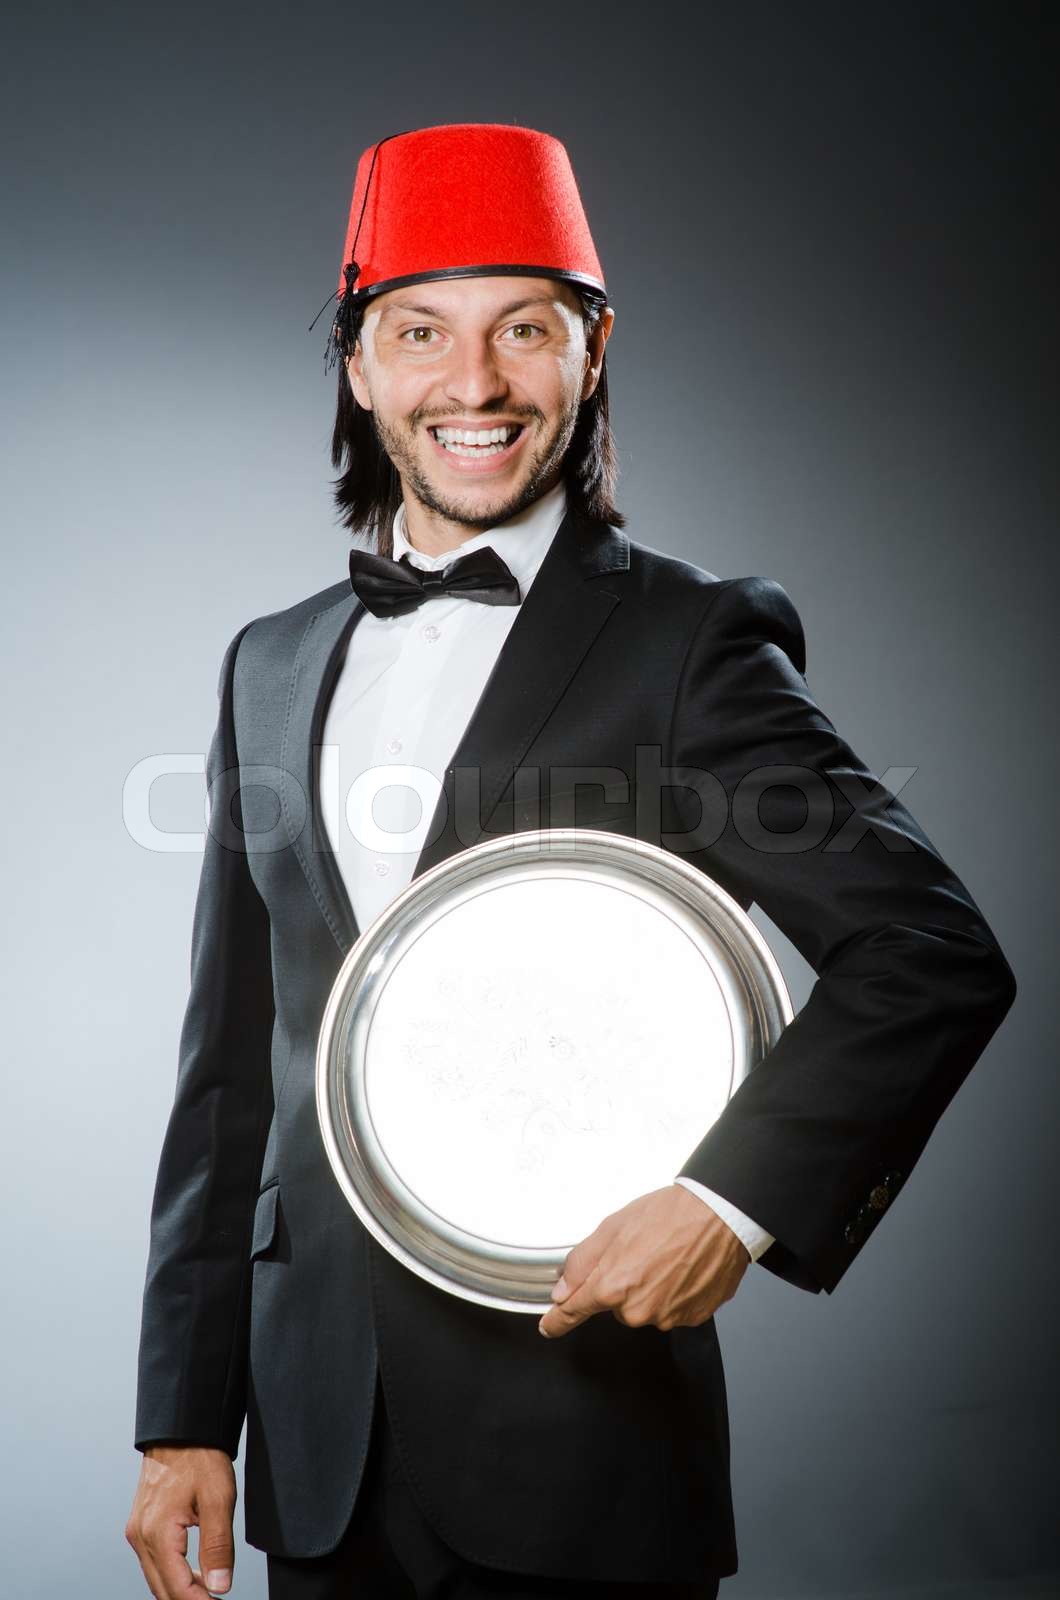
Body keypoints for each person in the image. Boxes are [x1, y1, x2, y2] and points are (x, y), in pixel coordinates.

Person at [125, 123, 1017, 1600]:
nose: (471, 385)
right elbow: (232, 1074)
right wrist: (181, 1420)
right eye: (421, 332)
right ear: (359, 364)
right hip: (313, 1443)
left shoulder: (687, 645)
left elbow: (926, 947)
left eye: (521, 331)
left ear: (591, 351)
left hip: (580, 1438)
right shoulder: (268, 665)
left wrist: (729, 1201)